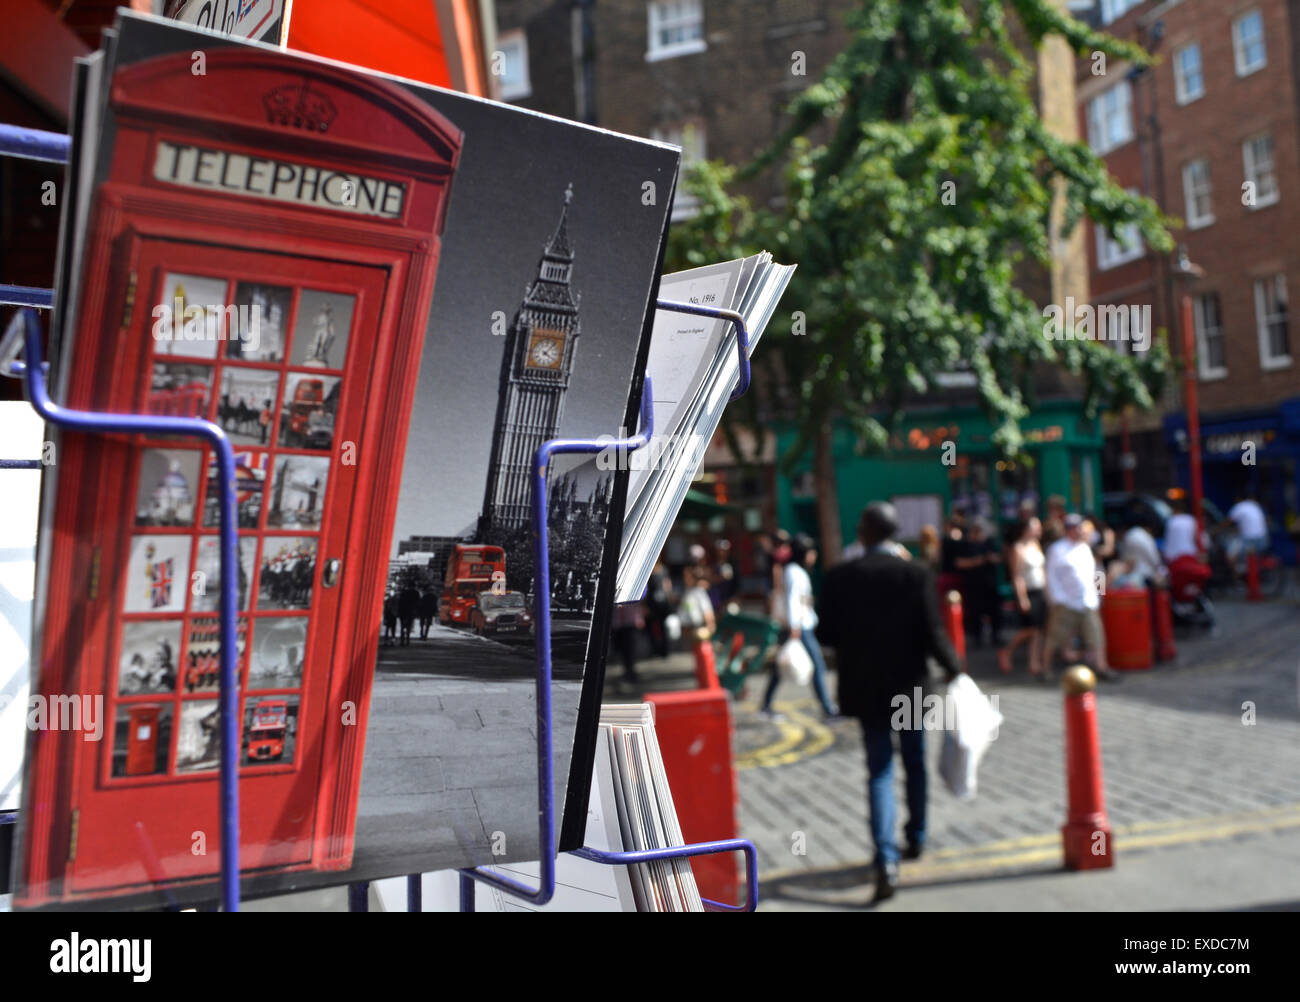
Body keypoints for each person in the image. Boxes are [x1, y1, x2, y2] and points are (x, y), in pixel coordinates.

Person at [816, 502, 961, 903]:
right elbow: (933, 631)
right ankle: (915, 837)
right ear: (895, 533)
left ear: (863, 533)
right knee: (914, 761)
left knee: (879, 771)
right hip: (910, 686)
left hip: (865, 688)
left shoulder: (840, 577)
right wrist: (955, 669)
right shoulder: (915, 574)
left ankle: (886, 860)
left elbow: (826, 634)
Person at [762, 534, 837, 719]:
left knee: (780, 667)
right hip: (799, 628)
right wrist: (795, 629)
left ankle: (766, 704)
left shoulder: (794, 571)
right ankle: (828, 709)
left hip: (798, 627)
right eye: (811, 552)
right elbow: (792, 600)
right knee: (817, 667)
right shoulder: (794, 572)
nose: (814, 556)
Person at [1043, 514, 1117, 681]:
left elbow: (1096, 572)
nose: (1082, 531)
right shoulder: (1057, 549)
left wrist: (1099, 593)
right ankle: (1045, 668)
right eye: (1078, 528)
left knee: (1096, 636)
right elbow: (1051, 576)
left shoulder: (1085, 547)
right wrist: (1056, 598)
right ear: (1069, 530)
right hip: (1066, 602)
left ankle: (1101, 667)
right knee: (1055, 636)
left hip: (1088, 600)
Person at [998, 516, 1046, 677]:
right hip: (1028, 591)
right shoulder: (1017, 548)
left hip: (1040, 590)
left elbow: (1041, 570)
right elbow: (1016, 575)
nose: (1039, 530)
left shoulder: (1036, 545)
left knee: (1038, 629)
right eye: (1036, 527)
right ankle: (1007, 651)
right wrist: (1022, 598)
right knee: (1029, 628)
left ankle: (1034, 662)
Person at [954, 517, 1002, 648]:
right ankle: (977, 637)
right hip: (973, 585)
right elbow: (959, 563)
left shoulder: (989, 543)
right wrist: (978, 561)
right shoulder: (965, 545)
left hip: (990, 584)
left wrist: (991, 558)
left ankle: (995, 635)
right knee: (975, 612)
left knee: (994, 611)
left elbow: (1000, 558)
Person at [678, 564, 718, 689]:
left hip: (701, 630)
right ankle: (703, 686)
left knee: (705, 658)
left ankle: (709, 687)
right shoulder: (688, 592)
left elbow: (707, 611)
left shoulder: (699, 592)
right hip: (692, 631)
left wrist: (710, 625)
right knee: (699, 662)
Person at [1225, 490, 1270, 581]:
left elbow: (1228, 522)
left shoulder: (1239, 506)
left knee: (1231, 555)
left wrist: (1215, 529)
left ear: (1238, 499)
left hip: (1249, 540)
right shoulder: (1255, 505)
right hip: (1264, 539)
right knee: (1251, 559)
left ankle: (1237, 578)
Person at [610, 601, 645, 688]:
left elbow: (637, 606)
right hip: (616, 624)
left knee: (630, 649)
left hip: (630, 623)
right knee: (619, 649)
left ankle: (630, 671)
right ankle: (626, 670)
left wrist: (639, 618)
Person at [1163, 496, 1205, 563]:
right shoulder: (1191, 520)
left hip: (1174, 557)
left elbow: (1168, 541)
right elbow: (1200, 538)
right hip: (1191, 555)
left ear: (1174, 509)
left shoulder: (1171, 521)